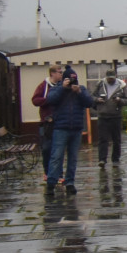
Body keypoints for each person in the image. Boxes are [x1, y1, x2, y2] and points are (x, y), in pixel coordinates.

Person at [43, 68, 96, 196]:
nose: (72, 82)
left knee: (73, 158)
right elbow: (50, 100)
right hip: (60, 128)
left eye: (74, 79)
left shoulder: (81, 89)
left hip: (76, 128)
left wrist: (79, 92)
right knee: (56, 156)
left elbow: (89, 103)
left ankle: (70, 182)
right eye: (70, 79)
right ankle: (51, 183)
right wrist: (63, 88)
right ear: (64, 79)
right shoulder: (57, 88)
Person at [92, 69, 127, 168]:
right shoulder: (100, 84)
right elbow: (92, 96)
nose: (110, 80)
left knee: (116, 139)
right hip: (102, 116)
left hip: (116, 116)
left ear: (115, 77)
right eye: (109, 79)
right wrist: (97, 99)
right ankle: (102, 159)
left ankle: (115, 159)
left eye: (112, 78)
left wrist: (119, 100)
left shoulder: (121, 86)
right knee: (102, 139)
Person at [31, 67, 62, 178]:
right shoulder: (43, 86)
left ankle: (59, 174)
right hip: (46, 123)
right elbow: (35, 100)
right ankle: (47, 172)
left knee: (58, 149)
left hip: (60, 122)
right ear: (52, 73)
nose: (61, 74)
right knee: (46, 148)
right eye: (59, 72)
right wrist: (48, 100)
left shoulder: (62, 85)